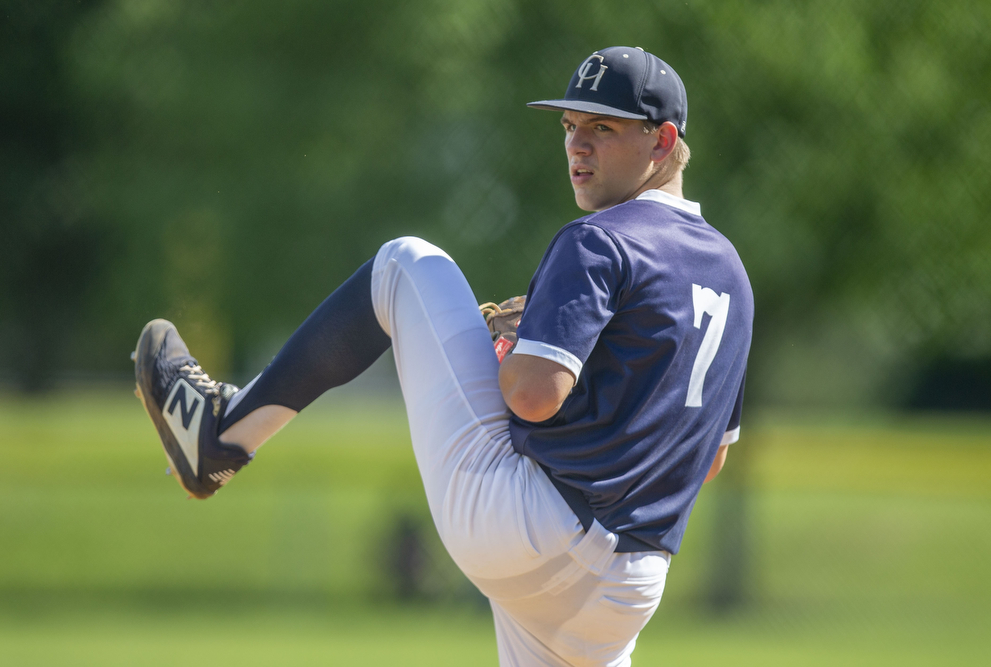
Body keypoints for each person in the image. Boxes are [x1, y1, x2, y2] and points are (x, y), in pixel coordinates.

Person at [133, 46, 753, 667]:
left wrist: (507, 350)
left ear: (663, 139)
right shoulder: (731, 275)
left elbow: (533, 395)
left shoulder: (600, 240)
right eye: (569, 126)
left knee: (405, 265)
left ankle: (219, 434)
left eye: (603, 127)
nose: (576, 145)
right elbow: (709, 461)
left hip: (530, 533)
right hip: (629, 588)